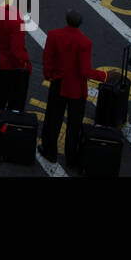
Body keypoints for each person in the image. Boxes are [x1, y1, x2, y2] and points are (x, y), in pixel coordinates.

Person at [41, 9, 108, 165]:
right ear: (80, 23)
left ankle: (49, 152)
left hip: (58, 83)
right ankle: (71, 157)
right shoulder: (85, 42)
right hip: (77, 88)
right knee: (74, 124)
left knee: (53, 120)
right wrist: (104, 76)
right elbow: (85, 71)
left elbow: (47, 58)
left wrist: (48, 75)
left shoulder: (54, 35)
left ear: (66, 19)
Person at [0, 0, 32, 128]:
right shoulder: (18, 22)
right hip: (13, 65)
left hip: (1, 56)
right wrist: (24, 64)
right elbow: (16, 50)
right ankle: (10, 123)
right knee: (15, 96)